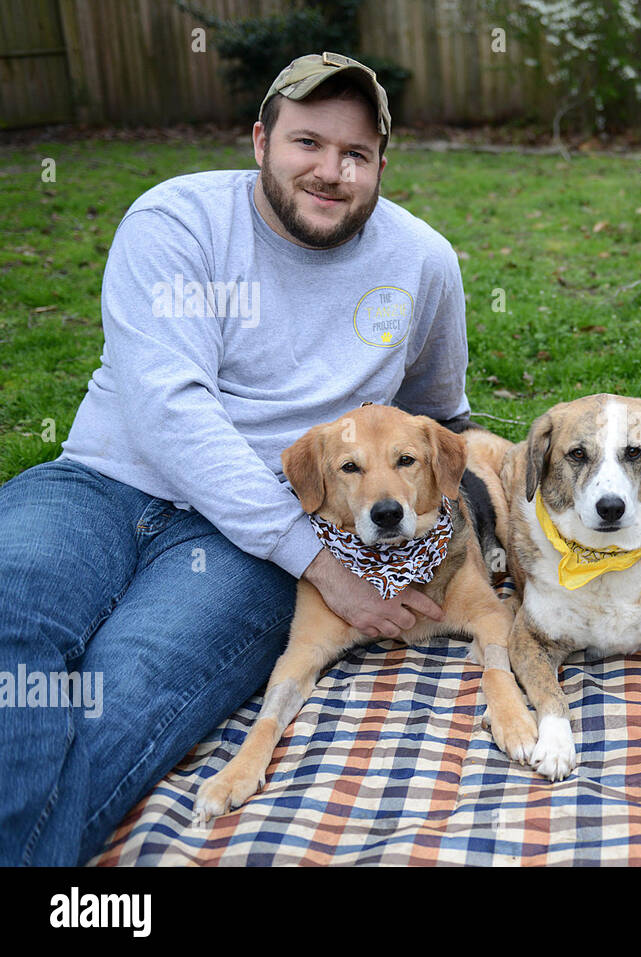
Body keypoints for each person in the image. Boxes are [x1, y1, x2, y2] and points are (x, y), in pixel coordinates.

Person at [0, 52, 472, 865]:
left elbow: (436, 417)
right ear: (259, 141)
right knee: (13, 621)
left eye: (355, 154)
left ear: (381, 167)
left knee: (123, 697)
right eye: (307, 143)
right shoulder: (174, 219)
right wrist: (321, 564)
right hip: (102, 486)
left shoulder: (423, 262)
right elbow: (168, 411)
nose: (330, 171)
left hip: (239, 543)